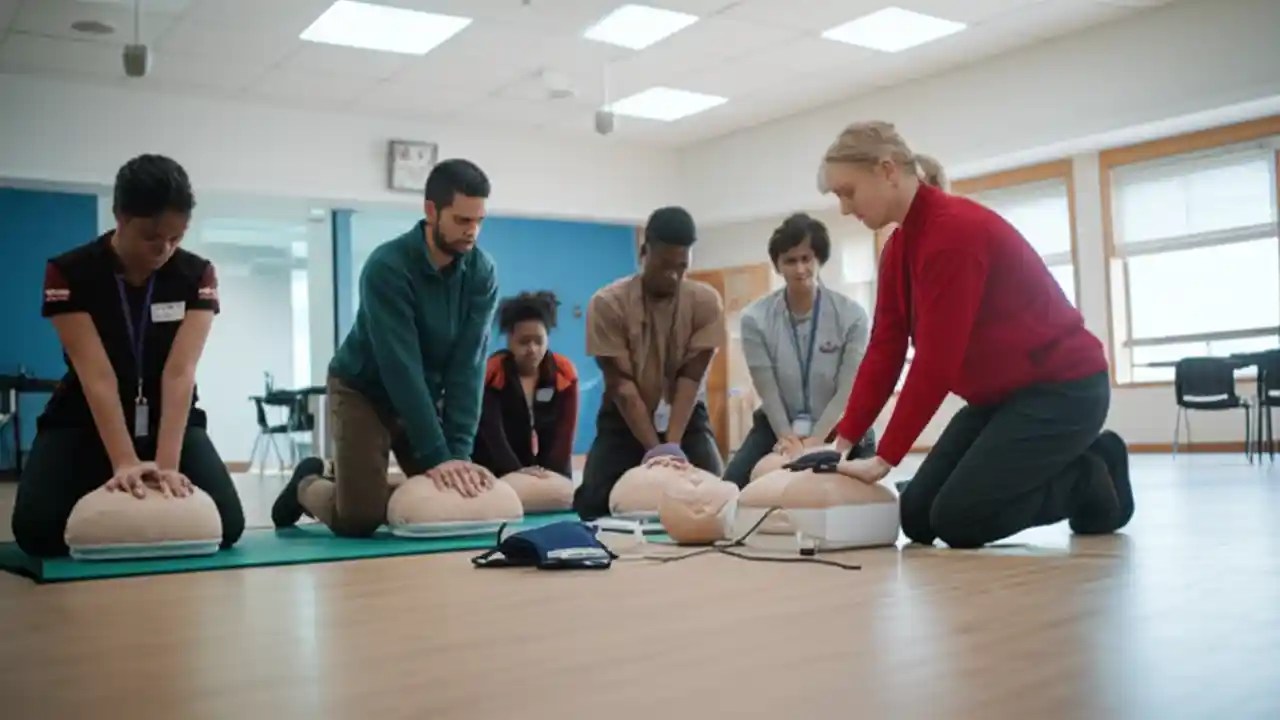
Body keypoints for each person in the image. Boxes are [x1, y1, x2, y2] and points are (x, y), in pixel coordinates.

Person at [820, 121, 1133, 548]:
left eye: (847, 192)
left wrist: (885, 459)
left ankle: (1092, 470)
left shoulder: (953, 234)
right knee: (916, 518)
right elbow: (885, 349)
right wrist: (842, 442)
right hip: (998, 401)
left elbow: (935, 362)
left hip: (1063, 393)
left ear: (887, 170)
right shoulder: (898, 249)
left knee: (959, 520)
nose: (843, 207)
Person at [11, 154, 244, 557]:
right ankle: (112, 470)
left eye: (176, 237)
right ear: (120, 216)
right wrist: (124, 461)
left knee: (227, 526)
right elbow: (95, 374)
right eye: (151, 237)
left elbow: (180, 372)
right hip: (83, 417)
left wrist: (167, 466)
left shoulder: (196, 274)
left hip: (168, 417)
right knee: (38, 533)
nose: (164, 249)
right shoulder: (70, 272)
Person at [271, 159, 500, 536]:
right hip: (365, 390)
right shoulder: (387, 267)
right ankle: (307, 485)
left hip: (422, 394)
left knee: (451, 497)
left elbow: (469, 366)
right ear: (431, 211)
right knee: (358, 518)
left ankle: (364, 489)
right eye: (462, 220)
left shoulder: (482, 272)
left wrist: (457, 456)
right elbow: (400, 364)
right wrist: (436, 456)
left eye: (479, 221)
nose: (472, 231)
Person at [573, 206, 726, 519]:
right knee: (593, 503)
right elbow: (621, 384)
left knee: (714, 496)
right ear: (645, 252)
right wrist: (654, 451)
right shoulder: (607, 304)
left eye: (681, 267)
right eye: (664, 265)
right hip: (624, 417)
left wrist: (671, 447)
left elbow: (690, 377)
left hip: (685, 418)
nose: (672, 275)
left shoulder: (705, 302)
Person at [723, 212, 873, 487]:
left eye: (807, 259)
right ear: (778, 266)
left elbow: (848, 389)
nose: (800, 268)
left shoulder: (852, 316)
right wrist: (787, 439)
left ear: (819, 260)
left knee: (863, 493)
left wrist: (816, 441)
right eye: (790, 261)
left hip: (841, 422)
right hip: (778, 425)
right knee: (732, 484)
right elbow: (767, 390)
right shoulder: (755, 319)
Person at [472, 290, 579, 480]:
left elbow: (565, 434)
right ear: (509, 340)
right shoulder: (493, 373)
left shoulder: (564, 373)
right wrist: (516, 472)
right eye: (523, 342)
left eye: (539, 341)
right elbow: (493, 434)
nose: (532, 349)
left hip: (551, 471)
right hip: (498, 469)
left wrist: (550, 475)